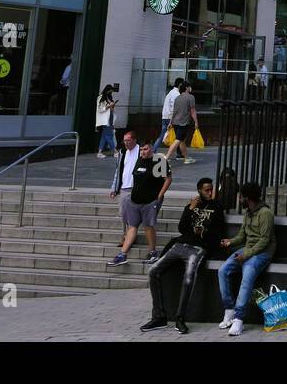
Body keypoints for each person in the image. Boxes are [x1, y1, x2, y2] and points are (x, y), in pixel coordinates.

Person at [144, 176, 227, 334]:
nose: (210, 192)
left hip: (198, 248)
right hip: (181, 245)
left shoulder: (217, 207)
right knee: (153, 271)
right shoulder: (191, 205)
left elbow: (219, 233)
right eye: (206, 190)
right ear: (199, 191)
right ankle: (159, 316)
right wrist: (190, 209)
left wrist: (204, 232)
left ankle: (180, 318)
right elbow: (182, 228)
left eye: (211, 189)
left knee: (189, 277)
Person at [217, 181, 276, 336]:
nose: (238, 199)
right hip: (248, 249)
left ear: (247, 198)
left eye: (240, 196)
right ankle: (229, 310)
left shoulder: (265, 214)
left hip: (262, 253)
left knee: (247, 276)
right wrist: (231, 241)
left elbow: (264, 241)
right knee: (223, 270)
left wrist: (246, 255)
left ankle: (239, 319)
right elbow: (242, 236)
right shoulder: (248, 212)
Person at [108, 142, 171, 266]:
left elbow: (168, 179)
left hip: (150, 200)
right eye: (141, 149)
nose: (143, 151)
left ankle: (153, 253)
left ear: (151, 148)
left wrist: (159, 195)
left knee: (148, 226)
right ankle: (122, 254)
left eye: (146, 149)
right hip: (135, 200)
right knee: (132, 226)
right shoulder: (139, 160)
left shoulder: (159, 160)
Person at [108, 130, 141, 233]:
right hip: (124, 187)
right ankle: (126, 234)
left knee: (134, 214)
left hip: (136, 187)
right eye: (124, 141)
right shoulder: (122, 152)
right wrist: (114, 187)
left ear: (134, 140)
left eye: (128, 140)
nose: (126, 143)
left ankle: (129, 236)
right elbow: (117, 171)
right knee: (123, 213)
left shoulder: (141, 151)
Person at [165, 82, 198, 165]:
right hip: (183, 123)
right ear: (187, 88)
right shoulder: (190, 97)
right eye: (189, 87)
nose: (190, 88)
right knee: (178, 140)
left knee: (181, 141)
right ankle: (166, 158)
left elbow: (174, 111)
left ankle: (186, 158)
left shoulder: (177, 98)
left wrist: (170, 122)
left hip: (175, 122)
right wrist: (196, 122)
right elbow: (193, 111)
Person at [154, 78, 185, 154]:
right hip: (171, 118)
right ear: (180, 85)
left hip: (165, 116)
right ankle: (179, 154)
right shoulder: (176, 94)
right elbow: (174, 107)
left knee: (163, 136)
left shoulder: (170, 92)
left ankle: (154, 151)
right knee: (178, 136)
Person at [95, 85, 117, 158]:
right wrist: (108, 106)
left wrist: (112, 105)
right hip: (105, 119)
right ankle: (115, 151)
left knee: (104, 136)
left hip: (110, 117)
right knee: (108, 135)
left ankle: (100, 152)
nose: (111, 92)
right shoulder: (101, 97)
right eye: (110, 91)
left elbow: (111, 108)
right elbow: (100, 109)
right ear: (107, 90)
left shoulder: (109, 97)